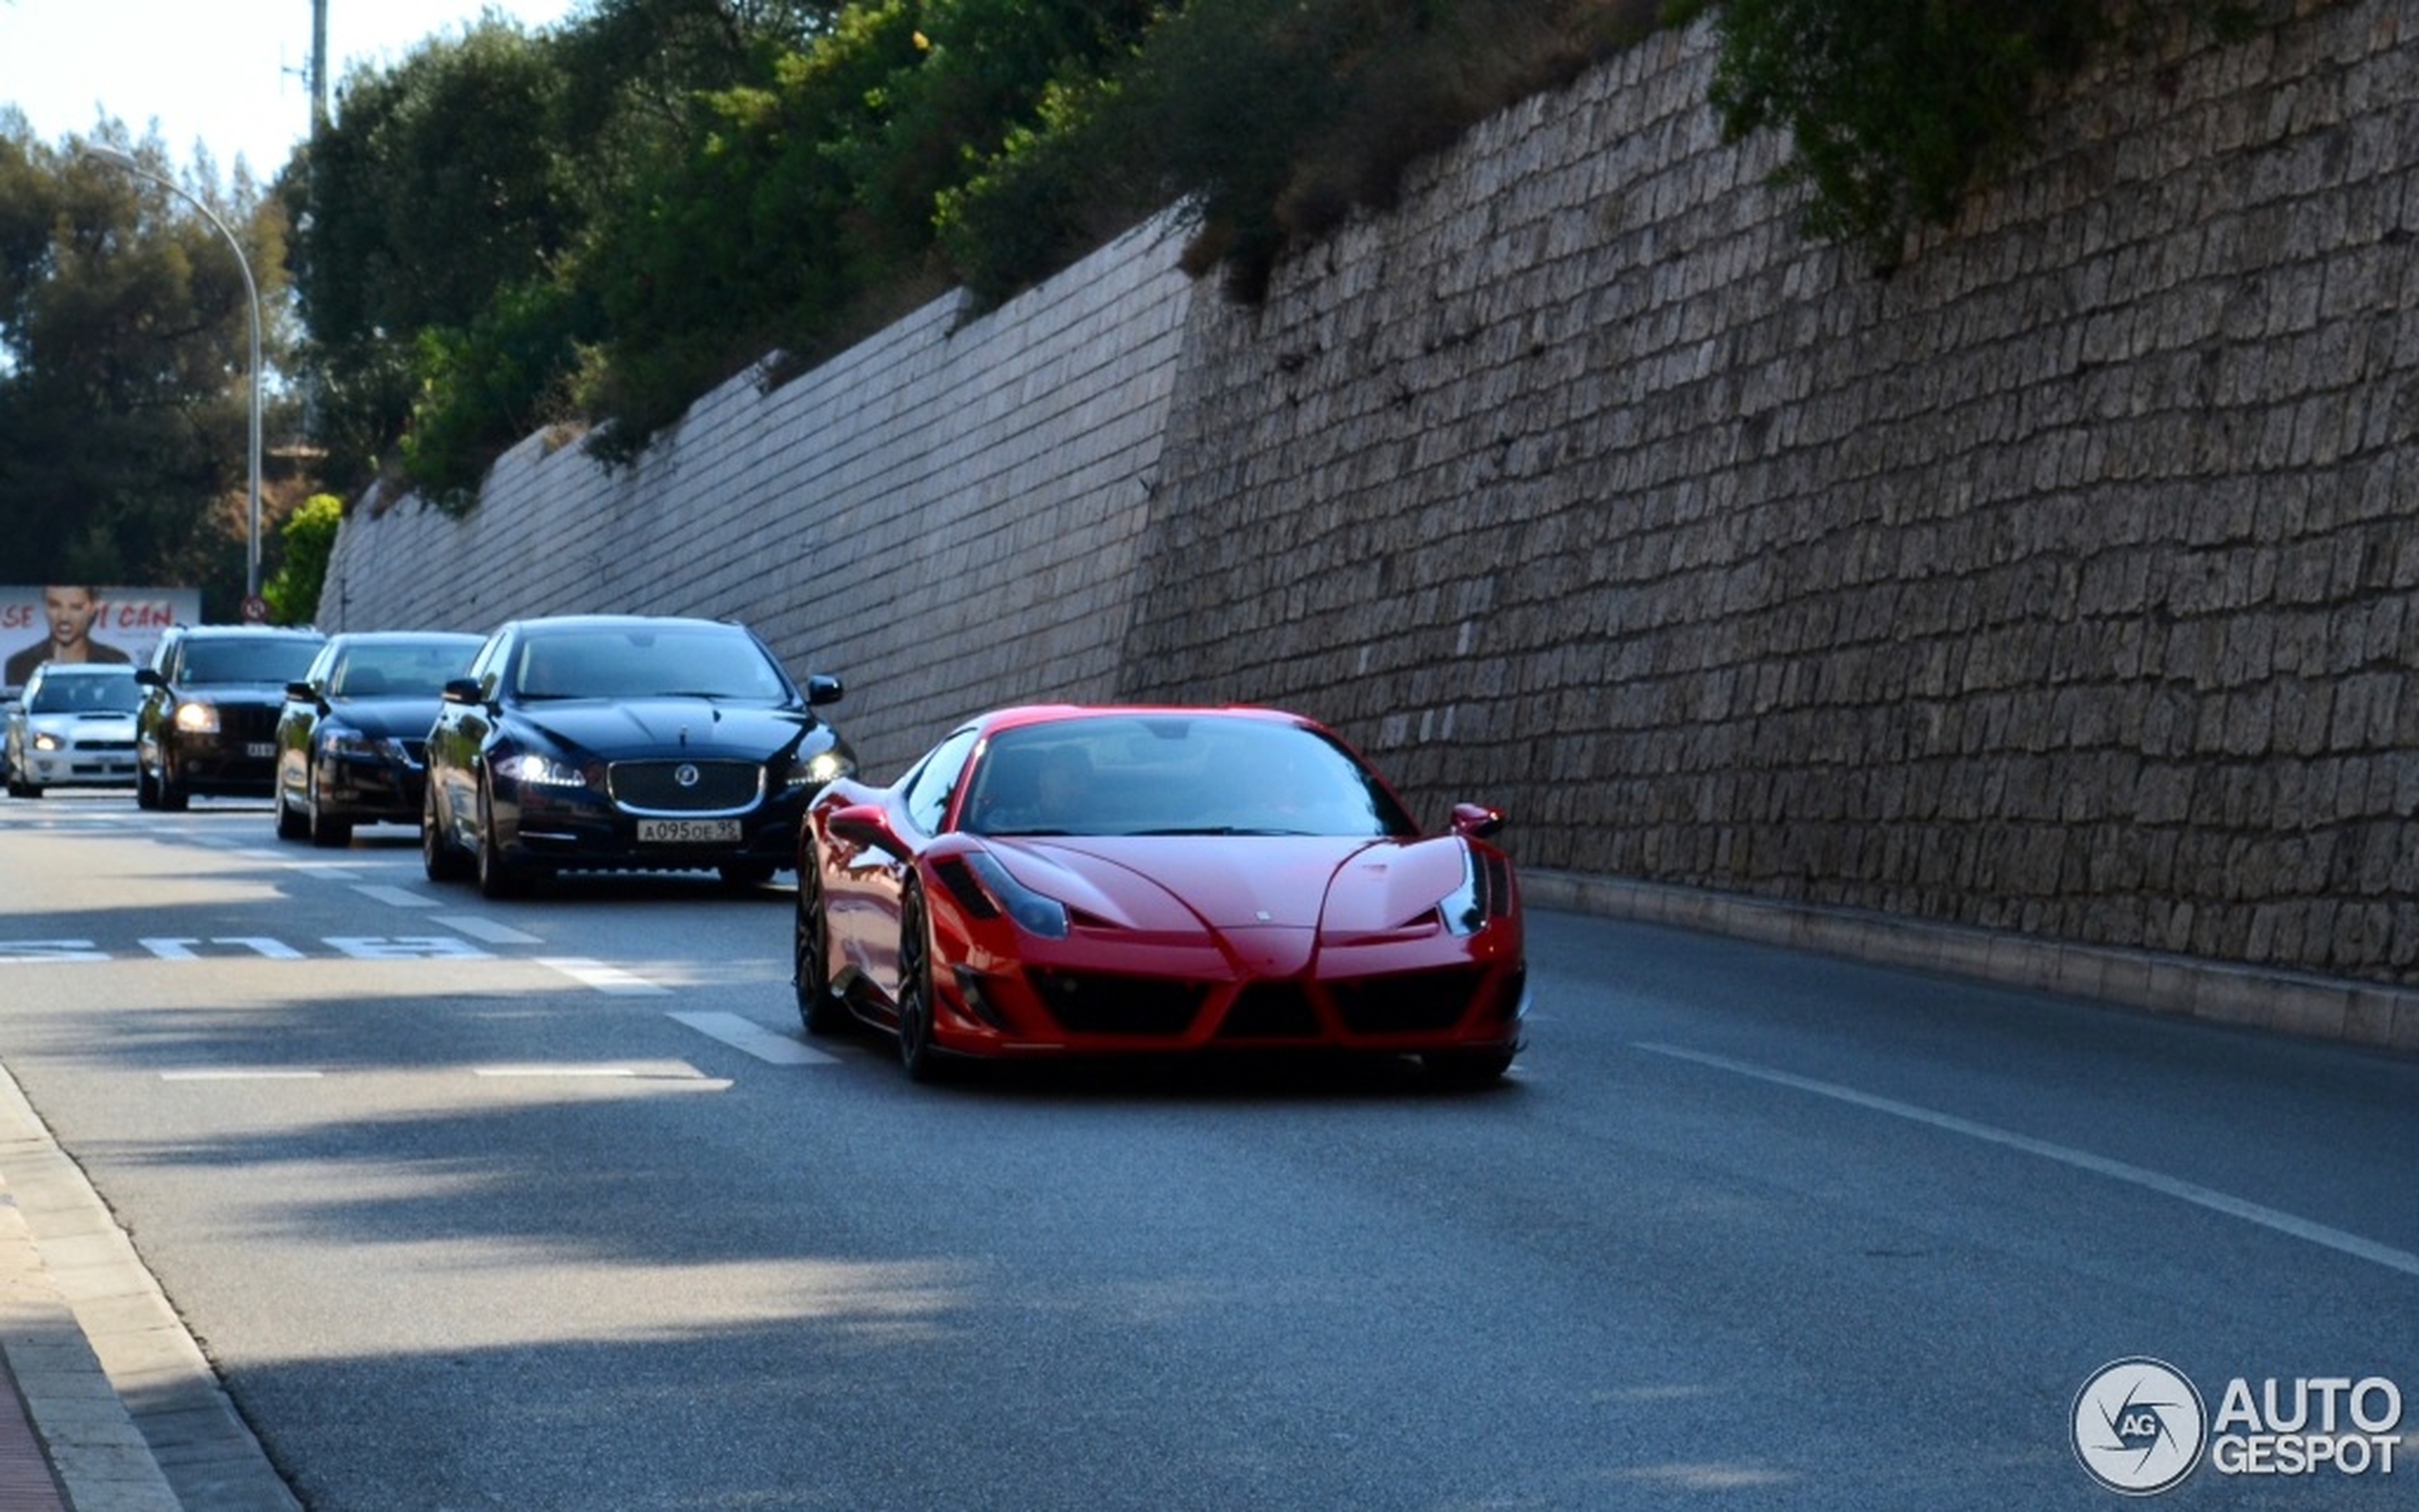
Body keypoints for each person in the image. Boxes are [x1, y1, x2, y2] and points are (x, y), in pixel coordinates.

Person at [6, 586, 130, 688]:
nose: (64, 617)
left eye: (76, 607)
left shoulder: (116, 664)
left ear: (93, 608)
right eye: (54, 605)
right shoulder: (20, 665)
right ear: (44, 606)